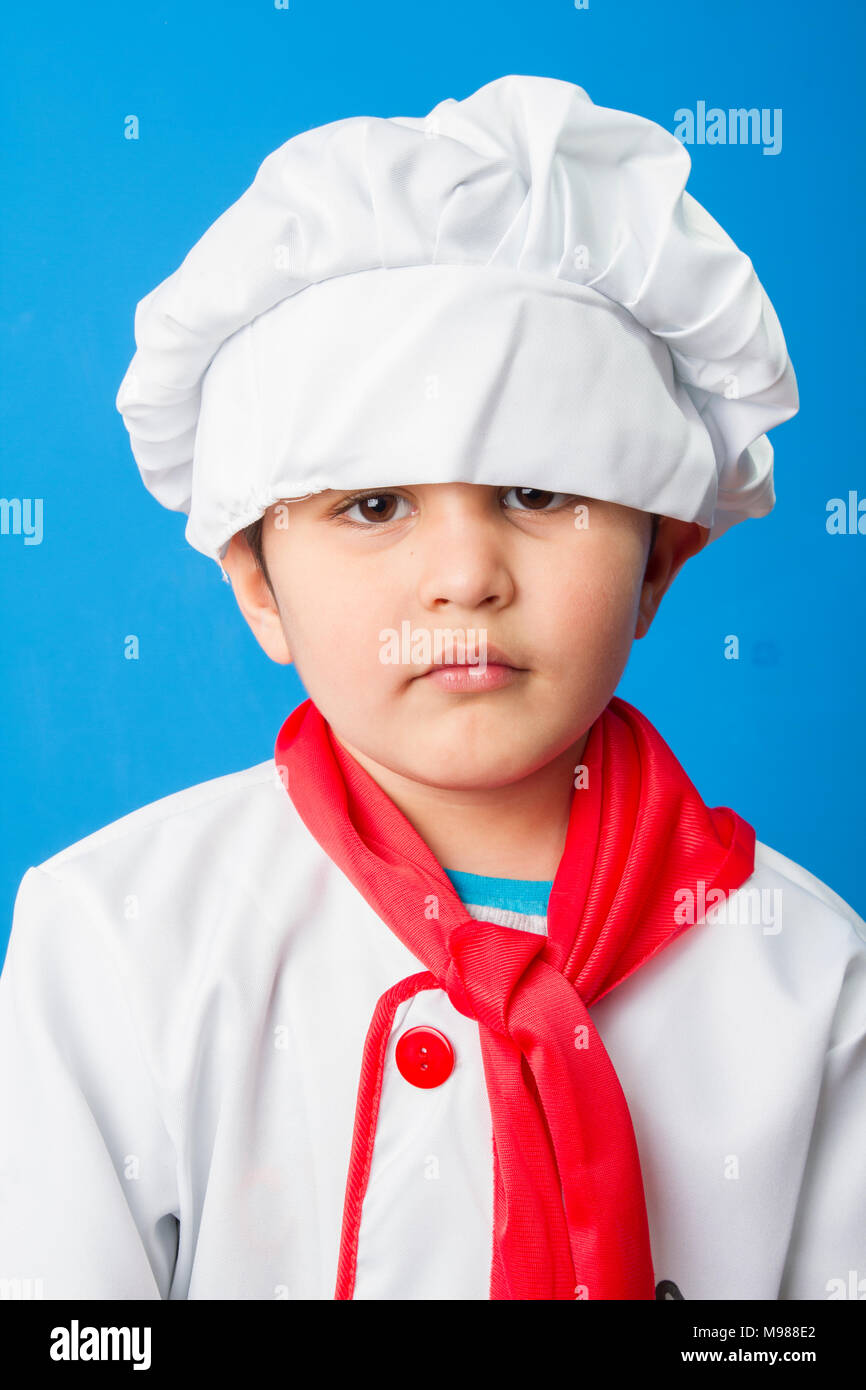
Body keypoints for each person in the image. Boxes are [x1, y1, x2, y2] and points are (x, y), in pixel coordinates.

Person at [1, 74, 863, 1302]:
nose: (463, 576)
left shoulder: (810, 977)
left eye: (537, 491)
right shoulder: (114, 941)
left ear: (659, 563)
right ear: (256, 586)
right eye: (371, 505)